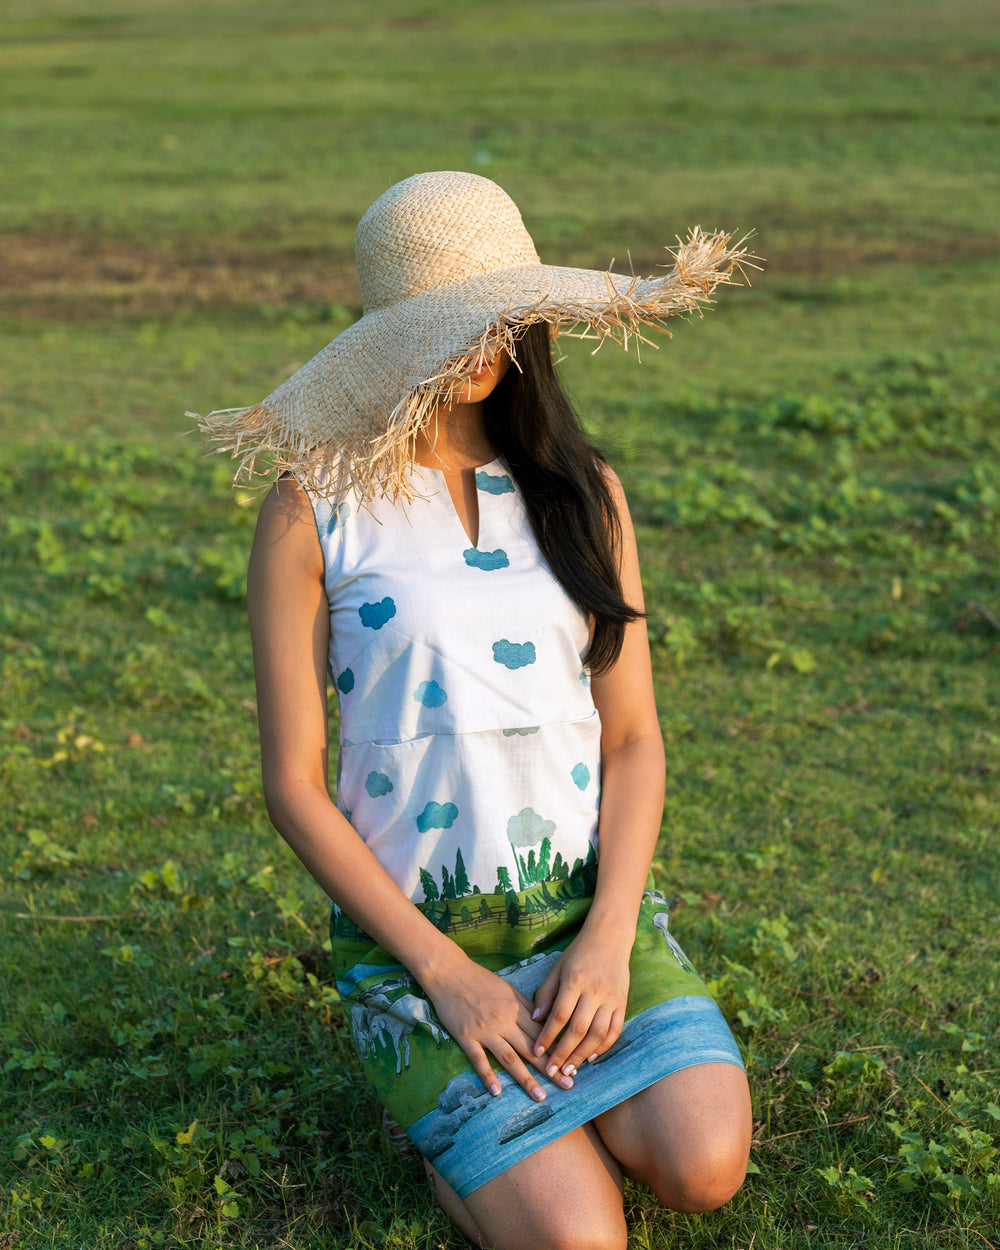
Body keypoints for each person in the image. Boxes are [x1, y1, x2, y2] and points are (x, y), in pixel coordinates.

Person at [196, 171, 755, 1250]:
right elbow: (292, 783)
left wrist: (603, 940)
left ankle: (536, 1113)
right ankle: (470, 1125)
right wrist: (447, 975)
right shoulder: (314, 509)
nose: (480, 343)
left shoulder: (581, 486)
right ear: (388, 337)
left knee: (703, 1164)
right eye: (447, 323)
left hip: (582, 920)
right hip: (423, 950)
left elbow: (634, 739)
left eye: (497, 313)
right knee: (577, 1240)